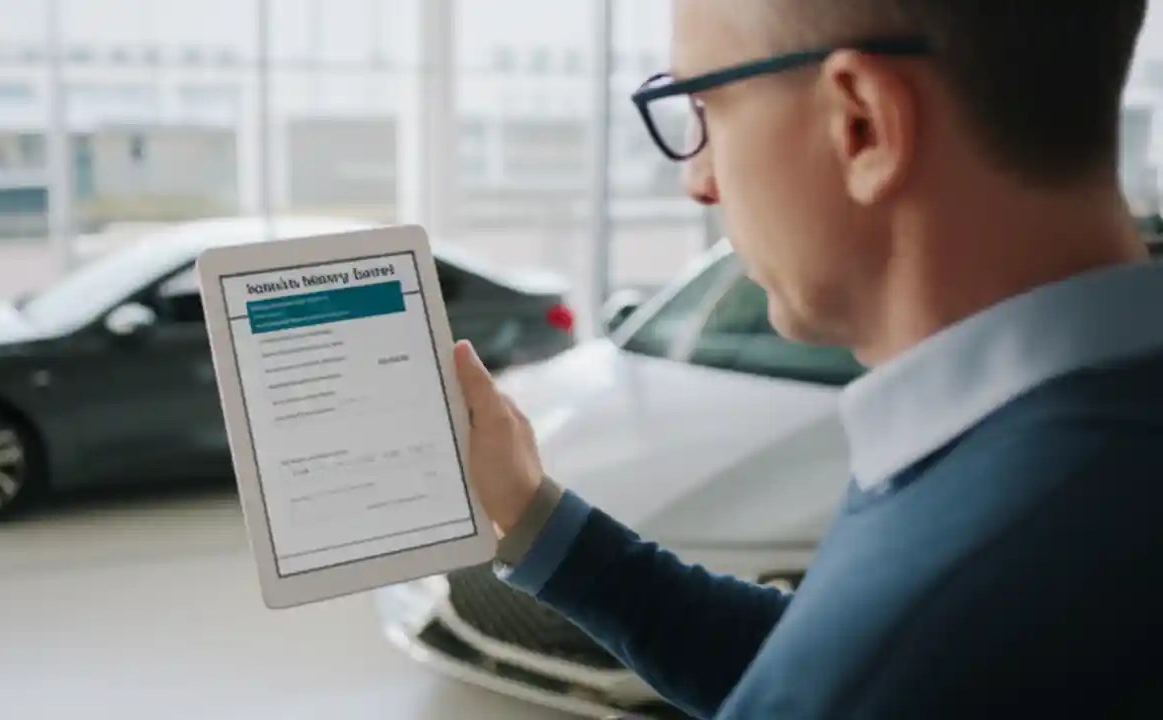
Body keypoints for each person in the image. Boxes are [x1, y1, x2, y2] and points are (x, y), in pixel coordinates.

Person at [452, 1, 1163, 718]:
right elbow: (811, 650)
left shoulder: (931, 623)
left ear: (863, 125)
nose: (697, 181)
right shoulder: (1073, 460)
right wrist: (530, 512)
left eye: (704, 108)